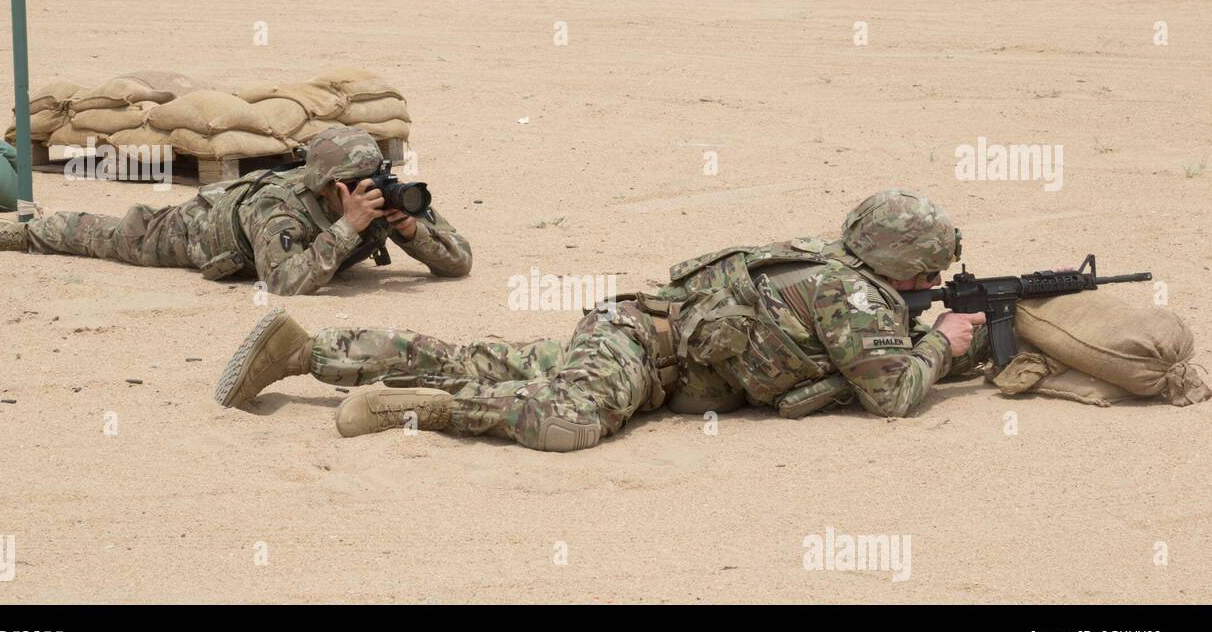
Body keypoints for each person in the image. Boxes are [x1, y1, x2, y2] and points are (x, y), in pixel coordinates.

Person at [214, 189, 987, 451]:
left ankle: (311, 349)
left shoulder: (824, 259)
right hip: (642, 353)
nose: (930, 281)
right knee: (566, 423)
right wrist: (945, 345)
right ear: (895, 259)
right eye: (925, 269)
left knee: (487, 357)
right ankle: (426, 411)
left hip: (635, 332)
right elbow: (892, 394)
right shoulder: (852, 297)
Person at [0, 126, 472, 296]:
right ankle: (5, 233)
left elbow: (459, 262)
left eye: (376, 178)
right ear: (331, 188)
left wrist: (409, 231)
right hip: (201, 231)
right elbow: (283, 283)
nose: (373, 189)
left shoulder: (384, 197)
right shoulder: (279, 209)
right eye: (359, 185)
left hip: (280, 216)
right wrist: (347, 229)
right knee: (108, 233)